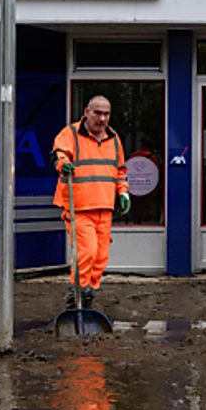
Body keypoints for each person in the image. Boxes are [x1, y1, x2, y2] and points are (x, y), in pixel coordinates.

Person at [52, 96, 130, 310]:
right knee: (88, 252)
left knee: (101, 257)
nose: (102, 118)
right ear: (86, 112)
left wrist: (123, 193)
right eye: (97, 113)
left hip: (104, 207)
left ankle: (88, 295)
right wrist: (63, 165)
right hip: (79, 206)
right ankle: (76, 294)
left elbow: (120, 170)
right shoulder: (71, 133)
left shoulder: (114, 139)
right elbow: (59, 154)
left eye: (106, 114)